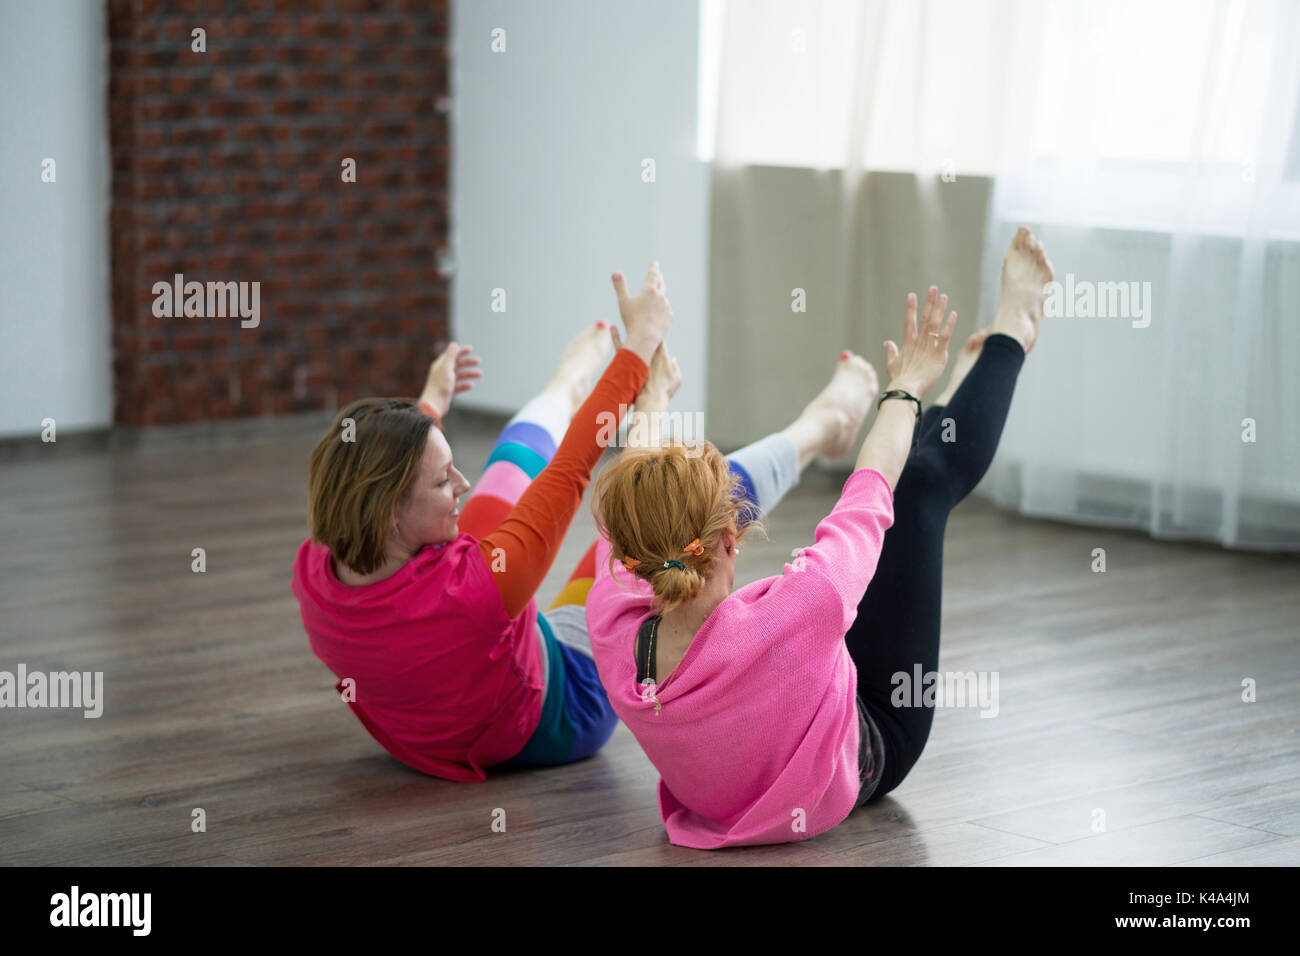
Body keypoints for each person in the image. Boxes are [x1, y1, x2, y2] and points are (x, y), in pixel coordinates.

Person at [586, 228, 1055, 847]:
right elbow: (873, 487)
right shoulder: (799, 609)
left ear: (631, 554)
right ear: (732, 538)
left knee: (900, 481)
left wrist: (650, 391)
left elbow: (640, 484)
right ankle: (1009, 340)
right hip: (876, 734)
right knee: (920, 487)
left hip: (797, 693)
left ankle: (940, 416)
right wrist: (906, 383)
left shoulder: (610, 618)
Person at [291, 263, 675, 780]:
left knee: (510, 466)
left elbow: (382, 470)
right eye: (441, 481)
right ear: (389, 514)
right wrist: (641, 346)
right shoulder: (475, 589)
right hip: (562, 707)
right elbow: (573, 464)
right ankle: (661, 407)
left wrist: (429, 405)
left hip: (433, 709)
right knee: (636, 527)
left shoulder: (315, 565)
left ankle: (565, 386)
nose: (460, 484)